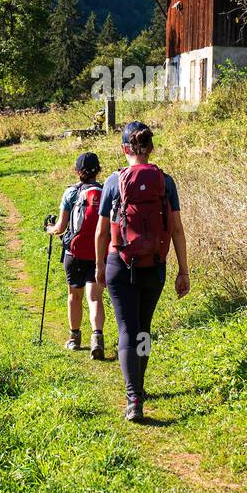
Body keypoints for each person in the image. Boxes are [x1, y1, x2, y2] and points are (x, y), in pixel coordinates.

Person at [95, 121, 189, 422]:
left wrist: (99, 266)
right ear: (150, 148)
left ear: (125, 149)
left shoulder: (113, 181)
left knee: (126, 330)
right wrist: (183, 270)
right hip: (155, 266)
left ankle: (133, 398)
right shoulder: (165, 181)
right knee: (143, 330)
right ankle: (140, 387)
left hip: (120, 265)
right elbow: (176, 229)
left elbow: (100, 233)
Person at [47, 152, 107, 359]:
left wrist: (49, 228)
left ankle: (74, 338)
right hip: (99, 253)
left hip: (74, 253)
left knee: (75, 295)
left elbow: (61, 228)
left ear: (77, 171)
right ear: (98, 170)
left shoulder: (70, 193)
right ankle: (97, 338)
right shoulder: (106, 191)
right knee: (95, 297)